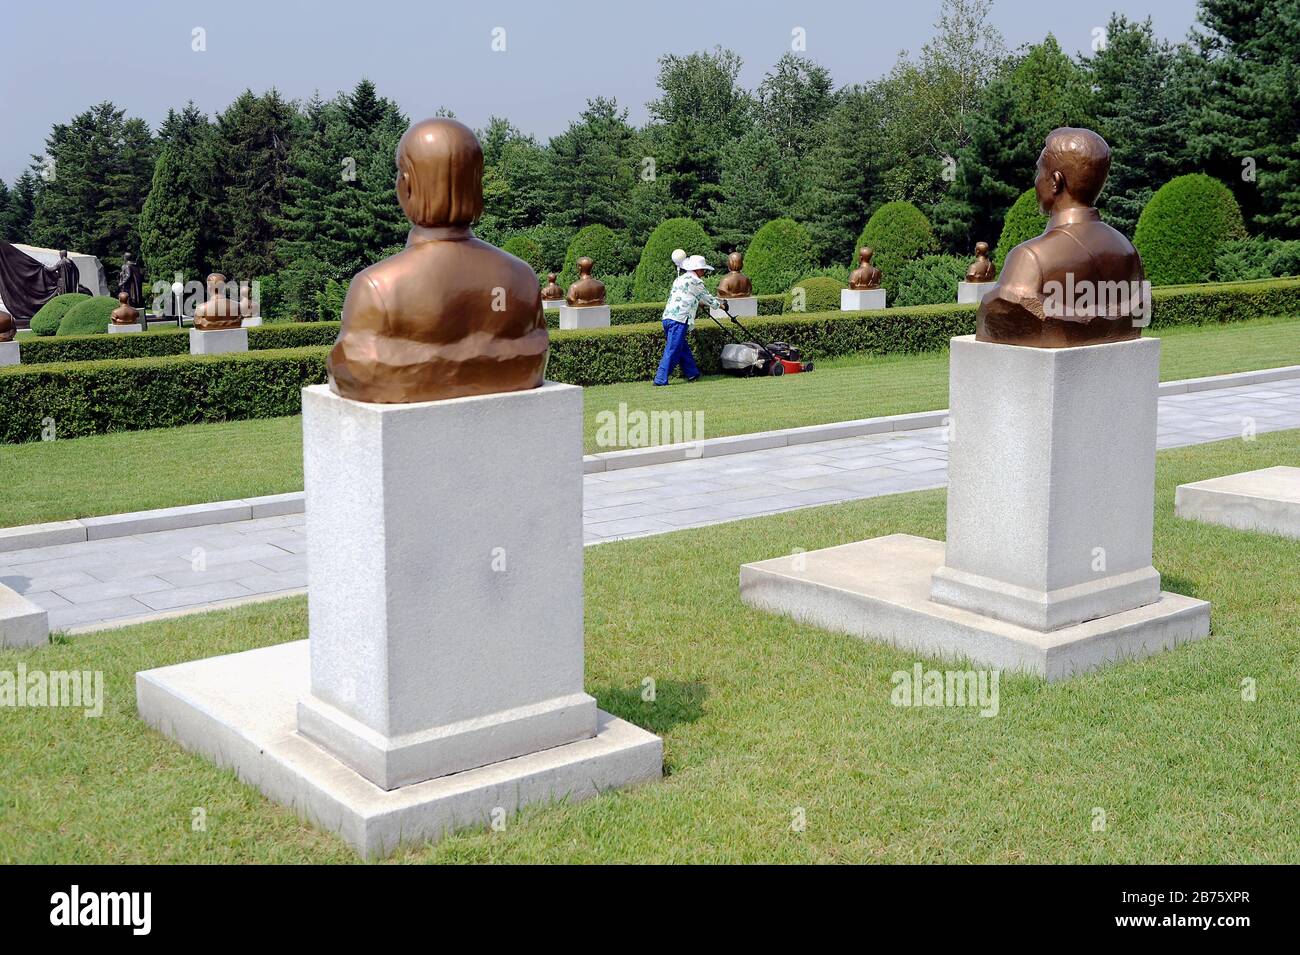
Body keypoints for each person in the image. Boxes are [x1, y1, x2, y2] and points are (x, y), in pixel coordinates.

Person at [654, 253, 725, 386]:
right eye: (703, 269)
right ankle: (660, 379)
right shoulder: (695, 281)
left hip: (668, 317)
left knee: (682, 347)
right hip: (679, 319)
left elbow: (689, 296)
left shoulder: (679, 279)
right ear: (697, 269)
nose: (704, 272)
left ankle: (692, 373)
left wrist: (699, 302)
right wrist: (721, 305)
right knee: (673, 349)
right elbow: (707, 298)